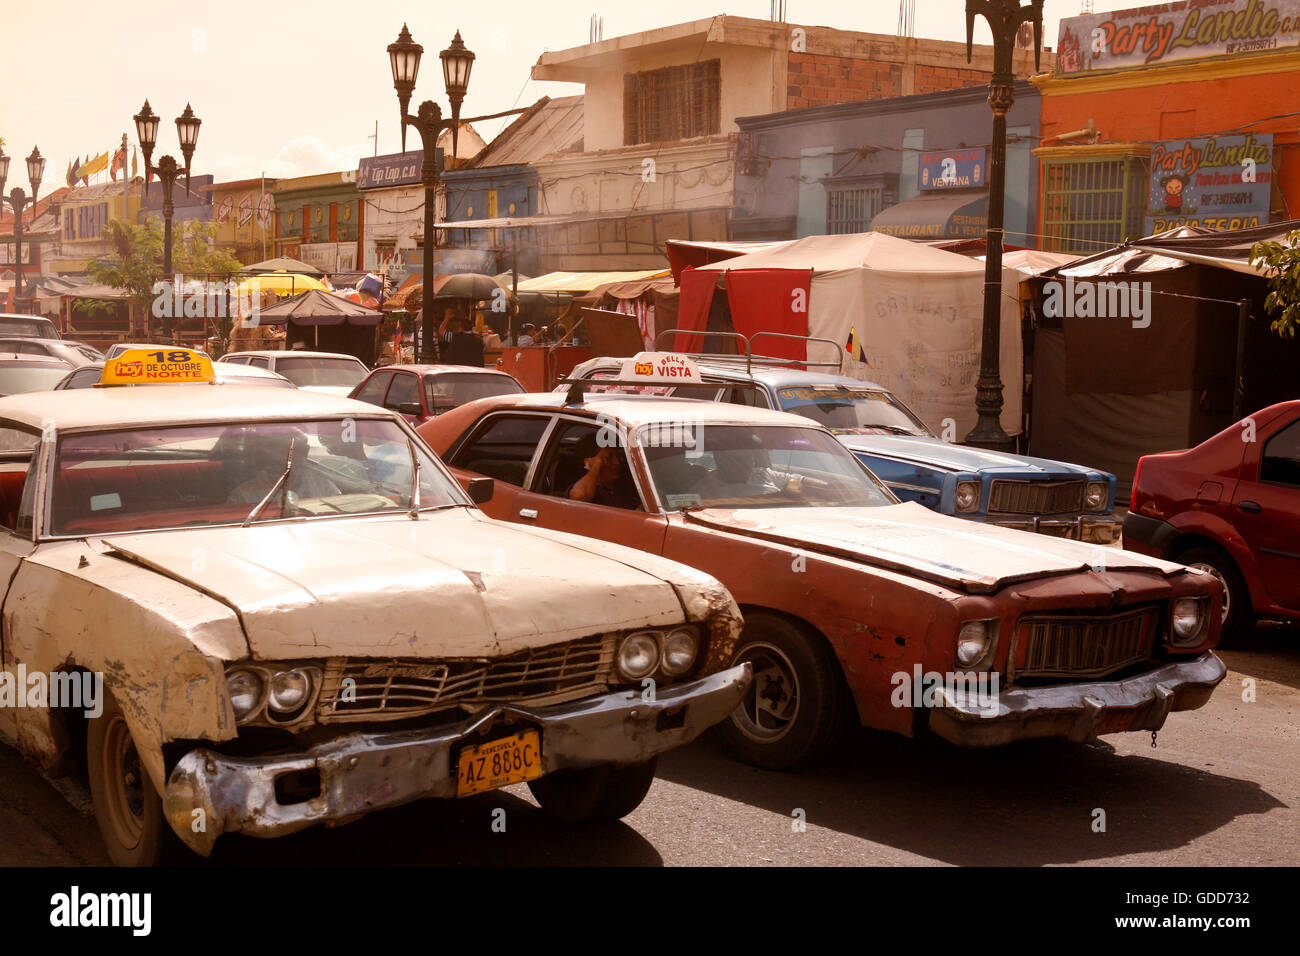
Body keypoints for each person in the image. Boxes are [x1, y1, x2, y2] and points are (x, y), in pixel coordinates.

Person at [564, 431, 640, 510]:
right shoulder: (584, 488)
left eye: (618, 457)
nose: (617, 462)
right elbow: (579, 495)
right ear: (589, 462)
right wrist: (597, 465)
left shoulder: (624, 487)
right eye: (608, 458)